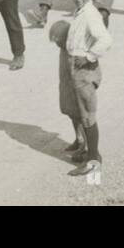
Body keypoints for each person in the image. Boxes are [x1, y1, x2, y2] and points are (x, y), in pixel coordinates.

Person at [63, 0, 112, 177]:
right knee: (82, 112)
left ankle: (94, 161)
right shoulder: (81, 12)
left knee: (88, 116)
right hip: (76, 67)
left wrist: (90, 56)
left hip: (84, 69)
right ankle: (89, 154)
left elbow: (105, 39)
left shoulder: (91, 14)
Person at [48, 21, 87, 162]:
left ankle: (85, 147)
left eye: (58, 42)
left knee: (81, 116)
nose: (57, 45)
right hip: (66, 85)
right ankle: (79, 138)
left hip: (77, 87)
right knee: (71, 113)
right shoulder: (63, 49)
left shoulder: (75, 49)